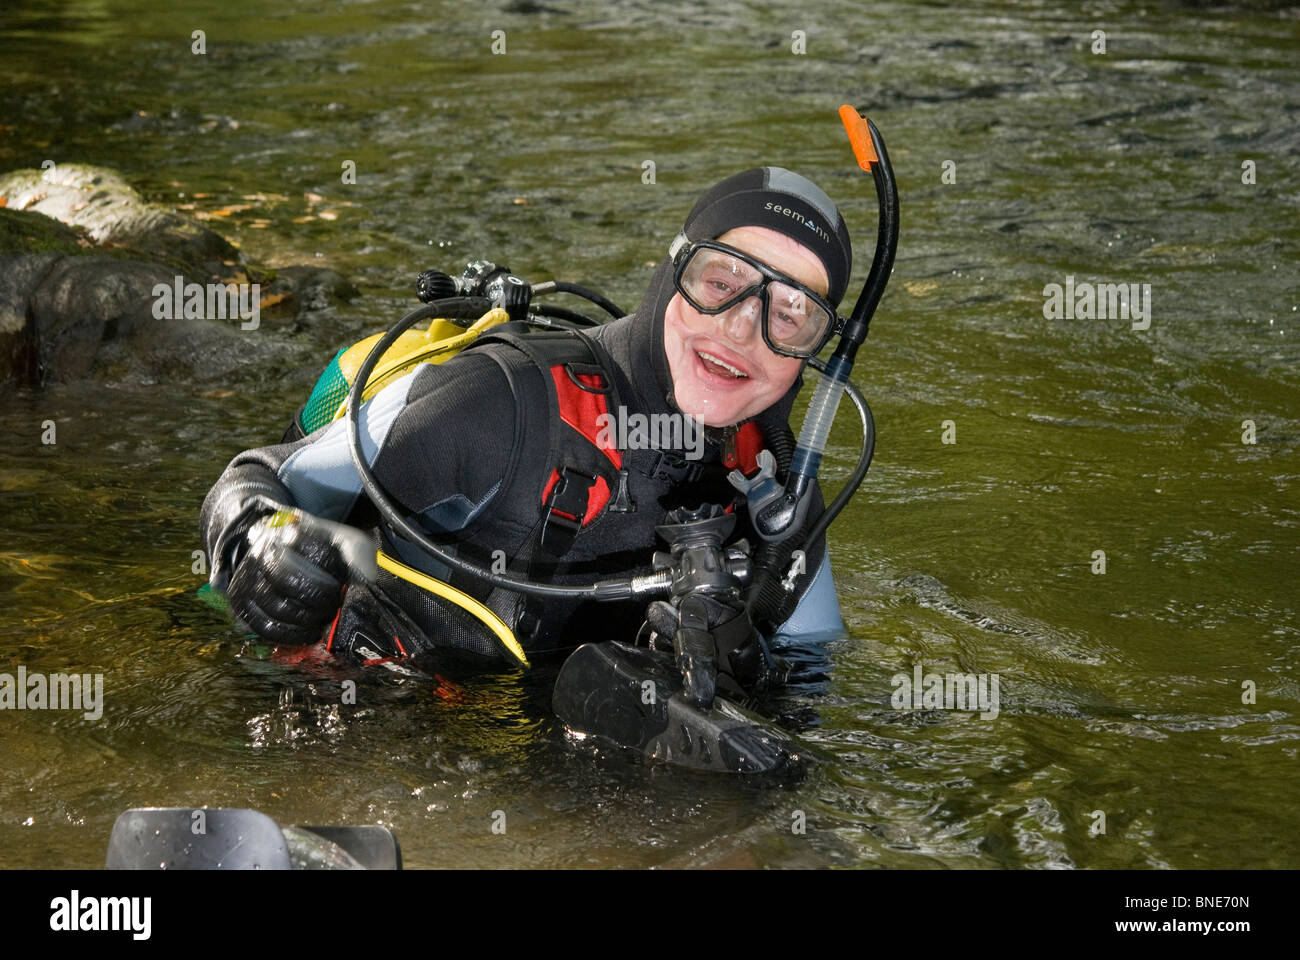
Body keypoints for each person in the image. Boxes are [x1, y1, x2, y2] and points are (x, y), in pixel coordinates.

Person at [199, 167, 852, 704]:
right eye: (723, 282)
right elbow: (260, 475)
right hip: (373, 704)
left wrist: (751, 668)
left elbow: (816, 681)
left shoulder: (775, 487)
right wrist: (260, 540)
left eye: (790, 313)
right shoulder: (494, 403)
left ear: (814, 351)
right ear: (670, 274)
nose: (741, 328)